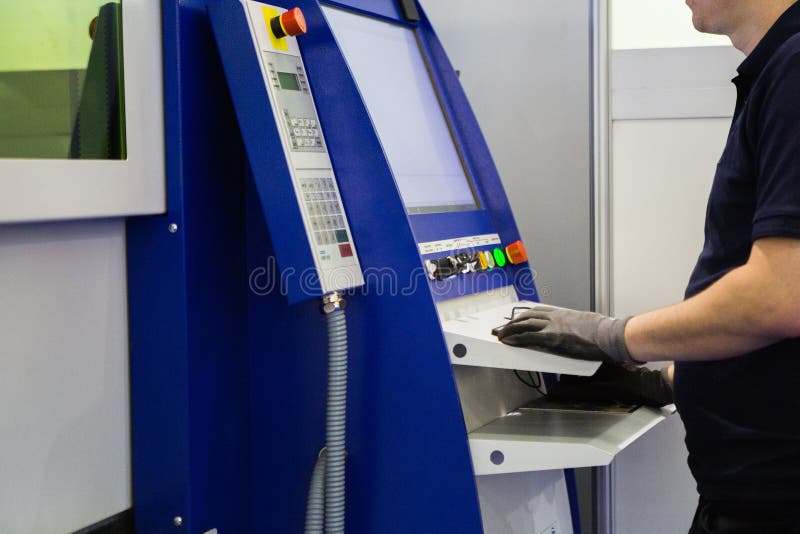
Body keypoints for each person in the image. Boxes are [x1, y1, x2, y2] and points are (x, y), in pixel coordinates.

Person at [496, 1, 800, 532]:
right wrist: (669, 379)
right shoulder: (776, 70)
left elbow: (781, 296)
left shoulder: (796, 68)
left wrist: (616, 336)